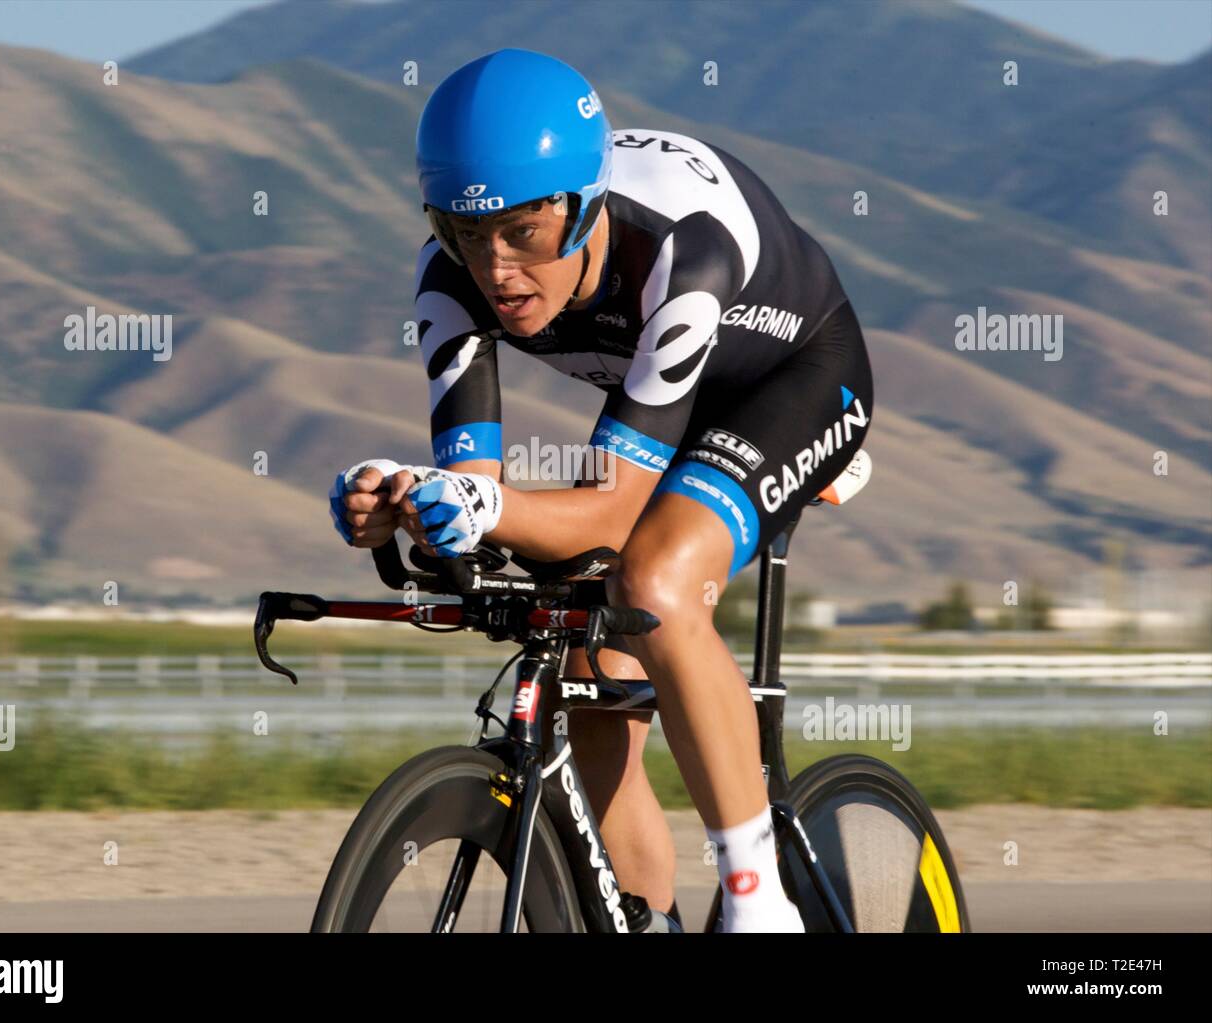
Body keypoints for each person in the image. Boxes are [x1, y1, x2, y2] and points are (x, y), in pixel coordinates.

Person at [330, 48, 873, 933]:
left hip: (795, 380)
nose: (495, 269)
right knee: (585, 649)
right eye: (464, 231)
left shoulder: (677, 246)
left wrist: (489, 509)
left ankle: (756, 899)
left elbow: (616, 510)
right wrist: (403, 508)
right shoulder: (449, 278)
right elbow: (479, 498)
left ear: (582, 209)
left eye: (522, 233)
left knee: (654, 583)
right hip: (660, 397)